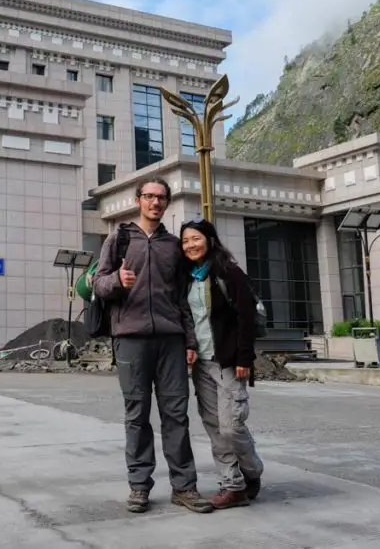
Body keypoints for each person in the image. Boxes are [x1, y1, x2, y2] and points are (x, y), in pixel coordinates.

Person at [91, 178, 213, 515]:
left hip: (171, 341)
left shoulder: (174, 246)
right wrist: (118, 281)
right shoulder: (118, 239)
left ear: (167, 203)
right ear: (138, 200)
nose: (155, 202)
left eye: (161, 198)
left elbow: (182, 298)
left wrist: (189, 340)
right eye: (149, 197)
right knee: (137, 416)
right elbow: (98, 283)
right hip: (130, 340)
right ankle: (140, 486)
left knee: (176, 415)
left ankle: (185, 487)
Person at [179, 218, 265, 509]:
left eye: (196, 239)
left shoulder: (229, 273)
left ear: (210, 240)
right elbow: (189, 318)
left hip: (228, 361)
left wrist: (245, 357)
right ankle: (233, 486)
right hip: (201, 363)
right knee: (215, 427)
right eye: (186, 240)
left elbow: (246, 317)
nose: (190, 245)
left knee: (232, 426)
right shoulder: (188, 276)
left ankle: (252, 471)